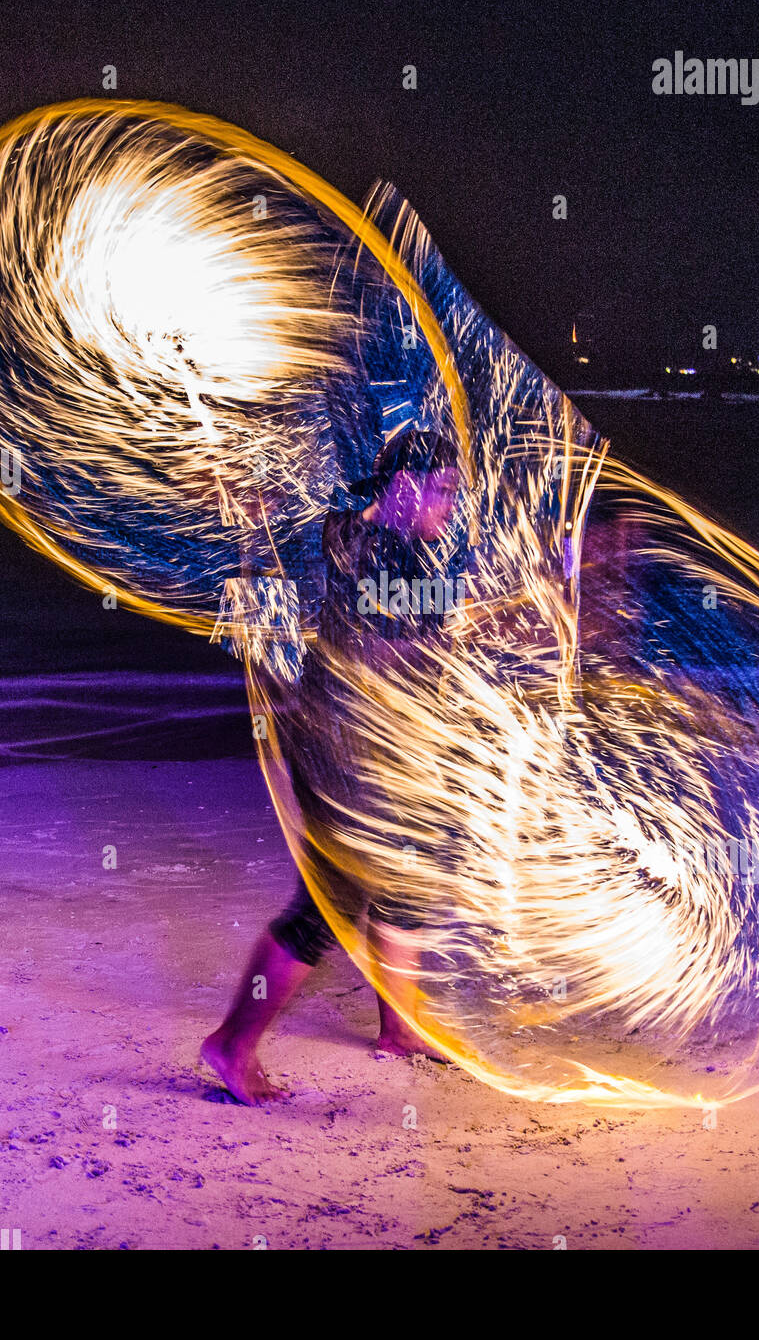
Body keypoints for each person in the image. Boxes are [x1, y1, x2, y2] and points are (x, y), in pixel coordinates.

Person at [201, 427, 464, 1104]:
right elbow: (392, 657)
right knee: (330, 901)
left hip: (389, 746)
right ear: (403, 486)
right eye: (441, 492)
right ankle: (232, 1045)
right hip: (348, 747)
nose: (449, 508)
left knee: (405, 879)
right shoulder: (381, 556)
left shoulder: (346, 534)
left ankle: (399, 1029)